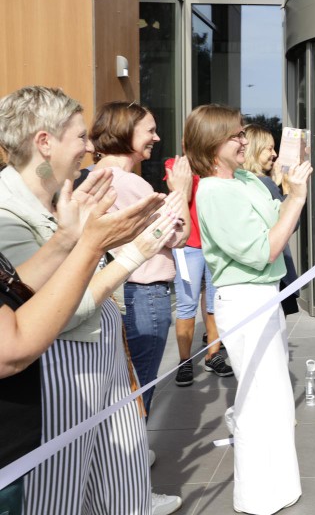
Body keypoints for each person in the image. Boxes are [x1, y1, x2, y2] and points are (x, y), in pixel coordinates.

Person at [0, 86, 183, 515]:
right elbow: (53, 312)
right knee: (58, 497)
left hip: (100, 359)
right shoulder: (6, 213)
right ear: (44, 142)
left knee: (127, 486)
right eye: (80, 137)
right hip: (59, 374)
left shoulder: (62, 197)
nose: (89, 147)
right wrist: (130, 251)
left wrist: (101, 243)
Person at [187, 104, 311, 515]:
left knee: (273, 398)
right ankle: (258, 498)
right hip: (244, 300)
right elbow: (263, 250)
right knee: (260, 399)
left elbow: (275, 220)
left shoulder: (243, 179)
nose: (245, 140)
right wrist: (296, 197)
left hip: (265, 297)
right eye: (236, 135)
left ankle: (279, 487)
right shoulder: (213, 191)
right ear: (212, 144)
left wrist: (290, 189)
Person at [90, 101, 206, 413]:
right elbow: (178, 235)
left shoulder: (93, 176)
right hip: (143, 294)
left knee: (121, 381)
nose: (156, 138)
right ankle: (134, 454)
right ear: (125, 133)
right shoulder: (129, 182)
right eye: (150, 131)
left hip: (114, 293)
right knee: (139, 386)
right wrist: (180, 191)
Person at [164, 150, 232, 387]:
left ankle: (213, 355)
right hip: (187, 247)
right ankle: (185, 362)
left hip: (215, 246)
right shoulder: (176, 164)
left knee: (215, 303)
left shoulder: (219, 166)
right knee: (186, 304)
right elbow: (181, 197)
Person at [242, 124, 301, 316]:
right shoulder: (263, 182)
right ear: (255, 149)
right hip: (272, 274)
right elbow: (289, 223)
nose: (274, 154)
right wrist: (288, 190)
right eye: (269, 148)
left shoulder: (241, 181)